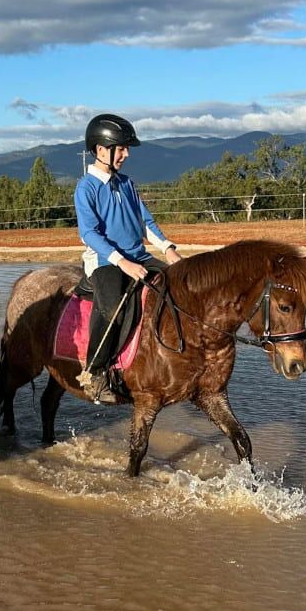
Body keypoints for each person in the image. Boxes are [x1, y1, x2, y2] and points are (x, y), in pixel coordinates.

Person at [74, 113, 182, 403]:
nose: (126, 154)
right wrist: (122, 262)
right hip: (105, 261)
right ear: (101, 150)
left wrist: (168, 249)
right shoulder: (86, 187)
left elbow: (145, 221)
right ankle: (94, 373)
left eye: (126, 148)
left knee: (180, 286)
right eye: (120, 148)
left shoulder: (126, 183)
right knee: (114, 309)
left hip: (138, 255)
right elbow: (89, 234)